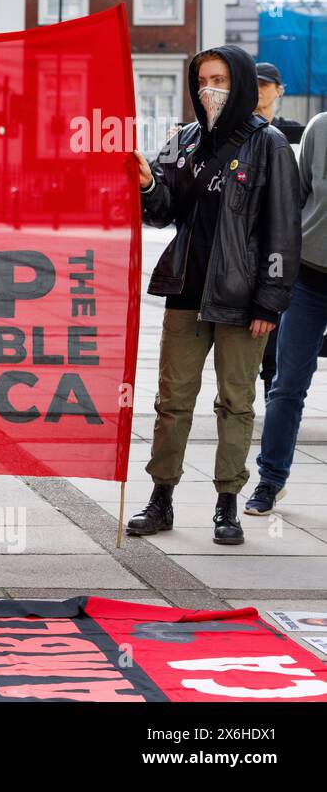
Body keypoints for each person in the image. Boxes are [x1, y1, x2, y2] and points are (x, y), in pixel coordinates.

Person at [129, 46, 300, 545]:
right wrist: (145, 185)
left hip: (243, 298)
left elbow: (282, 230)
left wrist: (271, 300)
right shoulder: (184, 140)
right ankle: (161, 498)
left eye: (220, 79)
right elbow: (163, 211)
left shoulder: (268, 145)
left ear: (241, 83)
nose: (210, 89)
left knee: (236, 402)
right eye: (203, 80)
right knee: (171, 402)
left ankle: (228, 503)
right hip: (186, 289)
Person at [249, 112, 327, 515]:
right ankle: (270, 480)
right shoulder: (320, 127)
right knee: (287, 385)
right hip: (310, 279)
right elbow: (297, 200)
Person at [256, 62, 304, 145]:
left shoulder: (293, 130)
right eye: (253, 84)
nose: (257, 89)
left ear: (279, 91)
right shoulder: (237, 129)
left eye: (263, 84)